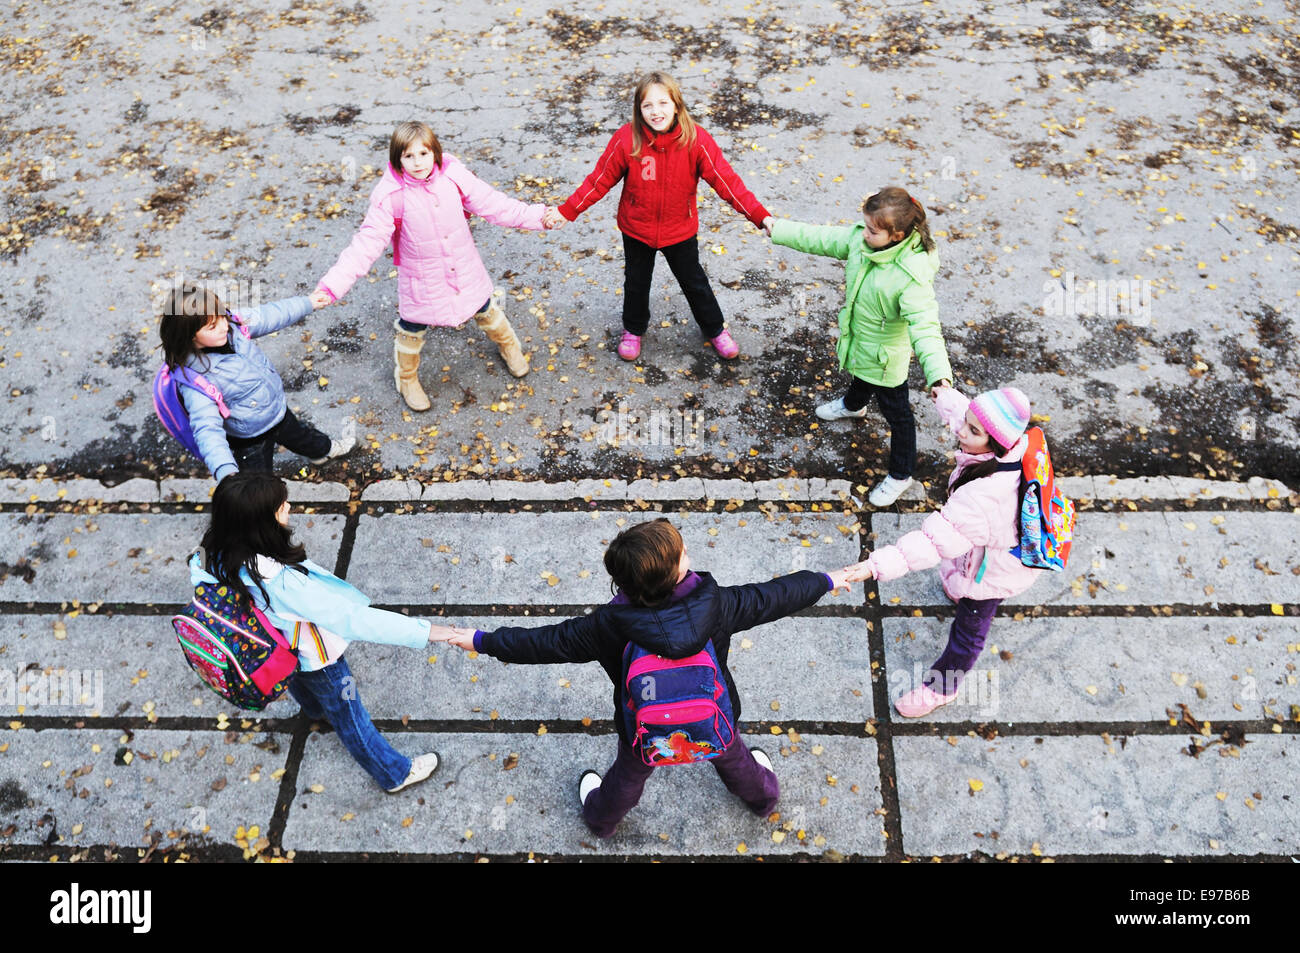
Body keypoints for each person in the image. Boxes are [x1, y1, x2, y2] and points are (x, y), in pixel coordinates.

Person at [434, 518, 856, 837]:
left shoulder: (605, 625)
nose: (689, 554)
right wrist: (827, 580)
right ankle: (763, 799)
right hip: (714, 716)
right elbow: (777, 595)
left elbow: (543, 643)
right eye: (683, 553)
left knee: (628, 775)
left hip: (643, 724)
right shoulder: (720, 606)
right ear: (674, 573)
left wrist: (481, 640)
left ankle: (600, 820)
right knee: (734, 757)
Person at [193, 472, 462, 791]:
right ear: (260, 524)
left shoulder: (208, 555)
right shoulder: (281, 583)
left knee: (301, 684)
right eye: (281, 505)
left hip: (276, 653)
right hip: (320, 661)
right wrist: (433, 631)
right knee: (352, 719)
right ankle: (394, 774)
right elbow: (353, 619)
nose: (288, 506)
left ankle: (315, 710)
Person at [316, 120, 559, 410]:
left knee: (483, 306)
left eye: (423, 153)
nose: (417, 162)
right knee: (412, 325)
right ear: (397, 158)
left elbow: (497, 205)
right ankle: (406, 378)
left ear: (435, 153)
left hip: (463, 266)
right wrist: (332, 286)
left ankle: (509, 345)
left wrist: (540, 216)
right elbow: (364, 246)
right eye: (408, 156)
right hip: (422, 278)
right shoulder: (390, 196)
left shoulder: (454, 177)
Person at [545, 71, 770, 362]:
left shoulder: (696, 140)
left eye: (663, 103)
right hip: (637, 228)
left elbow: (727, 181)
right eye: (647, 105)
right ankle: (633, 329)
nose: (656, 111)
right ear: (638, 109)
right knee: (636, 282)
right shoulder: (627, 139)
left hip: (680, 229)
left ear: (677, 105)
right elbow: (598, 180)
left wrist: (760, 216)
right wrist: (567, 211)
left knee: (694, 282)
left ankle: (715, 328)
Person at [844, 386, 1039, 717]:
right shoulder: (1015, 445)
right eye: (965, 421)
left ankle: (942, 688)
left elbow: (932, 542)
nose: (962, 430)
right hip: (994, 549)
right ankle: (961, 590)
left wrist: (874, 566)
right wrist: (948, 398)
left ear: (995, 442)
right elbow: (972, 417)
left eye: (973, 431)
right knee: (965, 595)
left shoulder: (983, 498)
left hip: (993, 573)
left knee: (968, 634)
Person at [764, 187, 953, 506]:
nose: (864, 234)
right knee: (861, 377)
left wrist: (939, 377)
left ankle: (901, 474)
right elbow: (820, 238)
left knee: (899, 416)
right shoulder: (862, 241)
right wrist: (778, 228)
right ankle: (854, 405)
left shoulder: (910, 276)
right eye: (865, 226)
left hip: (886, 361)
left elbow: (926, 328)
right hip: (862, 344)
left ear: (897, 235)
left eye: (873, 230)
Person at [158, 282, 352, 484]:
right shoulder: (196, 380)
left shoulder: (233, 326)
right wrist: (225, 471)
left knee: (301, 435)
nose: (225, 326)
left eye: (222, 316)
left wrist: (307, 303)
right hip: (249, 437)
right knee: (259, 482)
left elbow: (271, 315)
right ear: (190, 336)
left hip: (276, 409)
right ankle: (264, 509)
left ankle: (322, 451)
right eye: (213, 326)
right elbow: (207, 430)